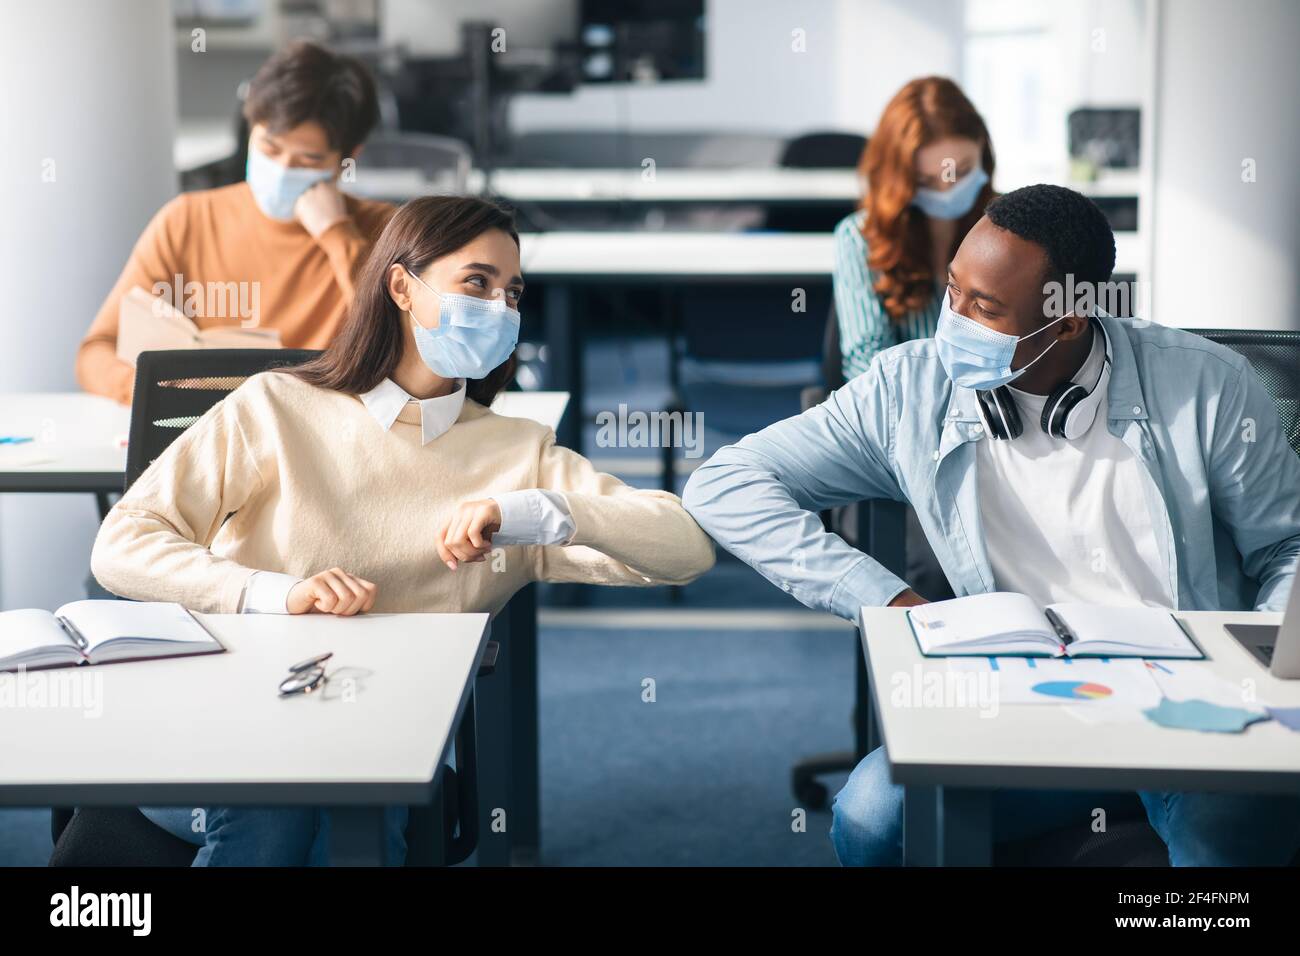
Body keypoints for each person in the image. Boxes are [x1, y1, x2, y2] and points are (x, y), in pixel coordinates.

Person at [684, 184, 1300, 866]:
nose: (954, 321)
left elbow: (1286, 545)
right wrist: (888, 601)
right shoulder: (909, 391)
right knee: (870, 817)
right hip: (1022, 706)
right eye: (954, 290)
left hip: (1186, 710)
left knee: (1223, 845)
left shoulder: (1207, 385)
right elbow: (725, 484)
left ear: (1067, 320)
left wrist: (1263, 674)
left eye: (985, 308)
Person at [90, 195, 716, 865]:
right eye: (477, 282)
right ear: (400, 286)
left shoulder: (518, 455)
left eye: (513, 293)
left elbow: (686, 549)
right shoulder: (278, 406)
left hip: (378, 735)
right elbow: (121, 545)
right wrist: (276, 593)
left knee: (352, 812)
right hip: (238, 717)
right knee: (274, 810)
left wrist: (535, 512)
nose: (501, 308)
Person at [77, 39, 395, 405]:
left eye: (307, 160)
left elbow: (402, 356)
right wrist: (159, 393)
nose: (282, 170)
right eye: (269, 149)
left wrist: (337, 236)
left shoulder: (385, 231)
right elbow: (96, 352)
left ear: (347, 158)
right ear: (250, 132)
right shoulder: (187, 221)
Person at [835, 76, 995, 381]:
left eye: (961, 171)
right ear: (899, 178)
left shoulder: (1010, 228)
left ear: (982, 152)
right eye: (926, 181)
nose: (948, 190)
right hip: (904, 415)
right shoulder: (859, 237)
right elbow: (865, 365)